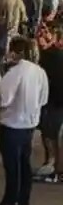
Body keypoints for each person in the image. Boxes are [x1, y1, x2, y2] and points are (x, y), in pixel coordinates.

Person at [0, 36, 50, 205]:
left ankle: (9, 200)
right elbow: (43, 99)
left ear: (15, 52)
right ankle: (23, 200)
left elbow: (5, 98)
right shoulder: (40, 72)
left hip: (12, 124)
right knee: (24, 163)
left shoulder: (15, 72)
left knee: (11, 165)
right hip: (29, 125)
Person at [37, 24, 63, 183]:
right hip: (54, 101)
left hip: (52, 102)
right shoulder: (48, 55)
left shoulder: (49, 57)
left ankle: (52, 166)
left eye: (46, 34)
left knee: (50, 135)